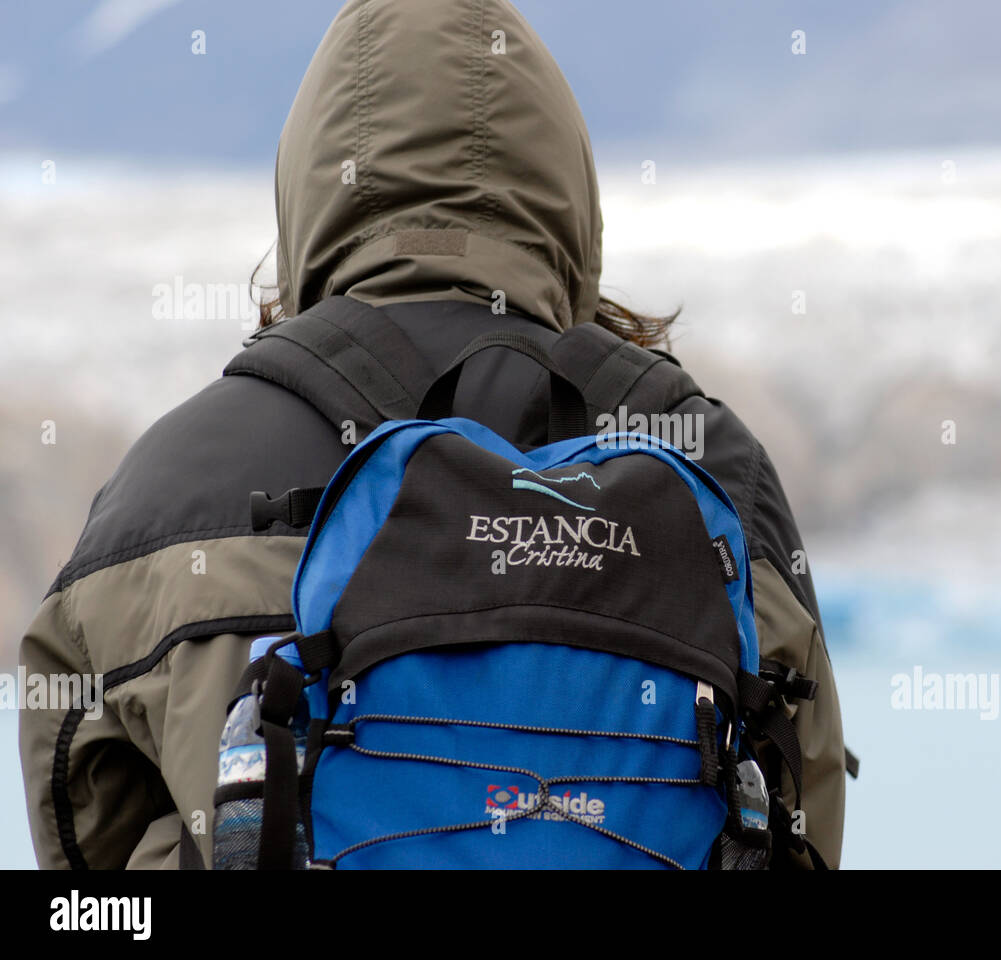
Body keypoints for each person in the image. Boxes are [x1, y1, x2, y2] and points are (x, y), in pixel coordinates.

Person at [19, 0, 845, 869]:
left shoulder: (175, 479)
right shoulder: (702, 457)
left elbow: (84, 841)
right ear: (571, 194)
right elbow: (802, 812)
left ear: (306, 190)